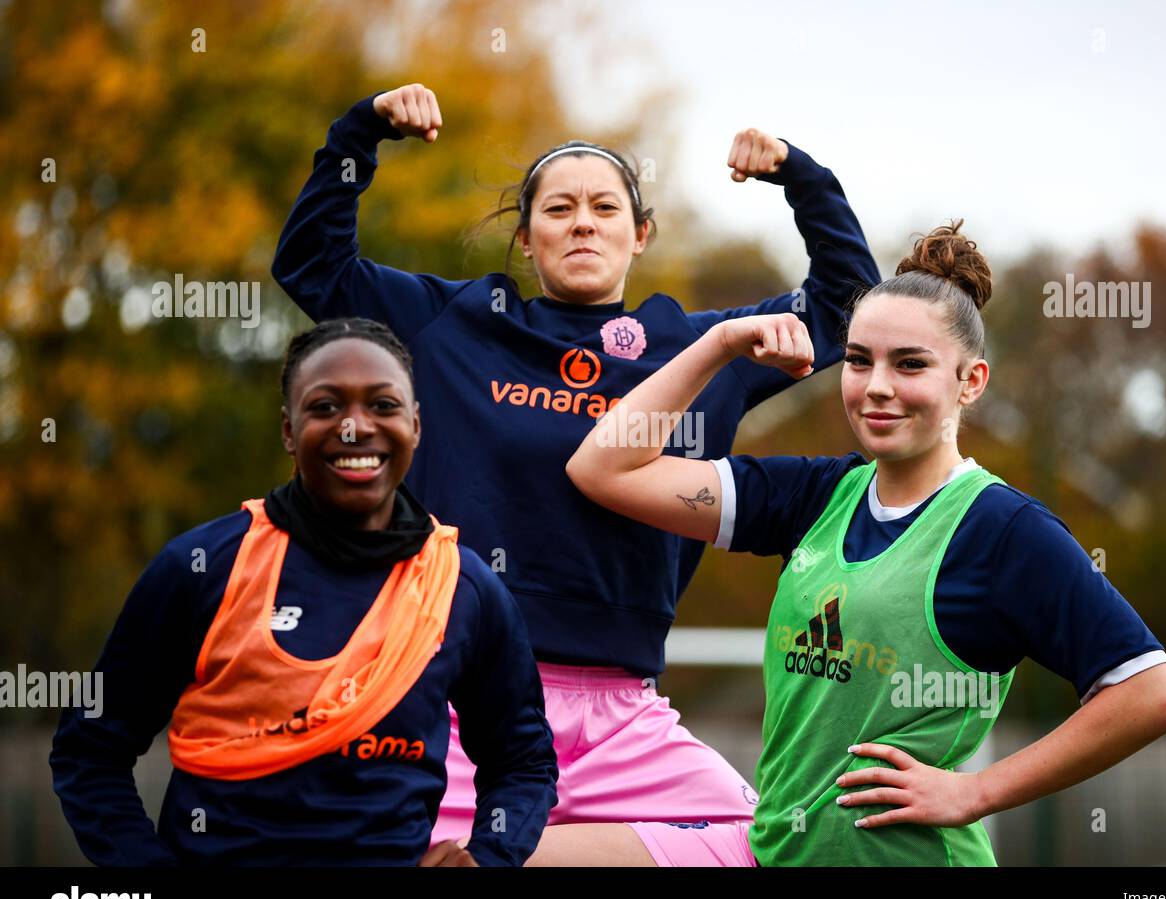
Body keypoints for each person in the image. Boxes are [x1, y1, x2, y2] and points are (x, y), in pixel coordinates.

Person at [270, 82, 881, 843]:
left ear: (641, 234)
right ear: (526, 239)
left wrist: (802, 177)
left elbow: (849, 304)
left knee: (765, 849)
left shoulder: (699, 351)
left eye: (604, 208)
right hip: (461, 696)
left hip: (624, 716)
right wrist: (359, 133)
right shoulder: (452, 325)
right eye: (558, 209)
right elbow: (312, 266)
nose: (582, 223)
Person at [555, 221, 1166, 866]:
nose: (876, 386)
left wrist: (976, 792)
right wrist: (717, 344)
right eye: (859, 360)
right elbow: (604, 469)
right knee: (497, 855)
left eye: (910, 363)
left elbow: (1150, 693)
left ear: (971, 382)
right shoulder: (813, 495)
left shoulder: (1003, 530)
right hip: (770, 852)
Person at [50, 319, 557, 866]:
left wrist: (490, 855)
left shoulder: (462, 587)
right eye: (325, 407)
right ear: (289, 431)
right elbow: (90, 751)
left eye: (383, 406)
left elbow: (522, 760)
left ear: (415, 425)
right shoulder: (201, 569)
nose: (353, 428)